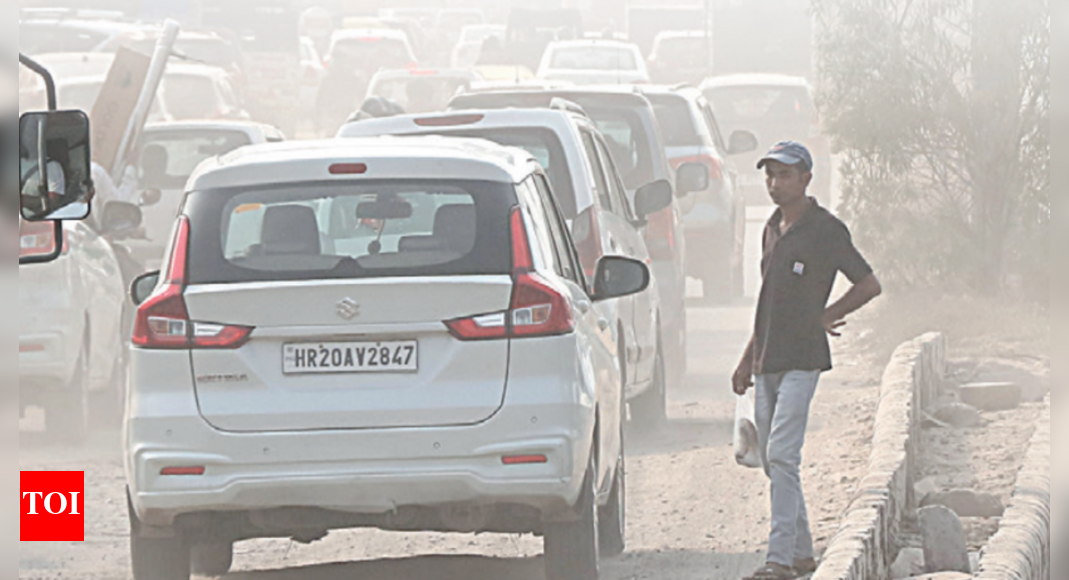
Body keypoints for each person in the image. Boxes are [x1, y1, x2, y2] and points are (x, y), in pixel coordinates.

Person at [734, 142, 883, 580]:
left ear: (806, 179)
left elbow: (868, 283)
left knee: (783, 454)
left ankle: (778, 560)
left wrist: (828, 314)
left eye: (784, 175)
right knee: (772, 461)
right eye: (770, 175)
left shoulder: (826, 230)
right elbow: (768, 301)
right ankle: (801, 553)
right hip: (766, 359)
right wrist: (746, 359)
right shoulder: (771, 228)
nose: (775, 183)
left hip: (803, 358)